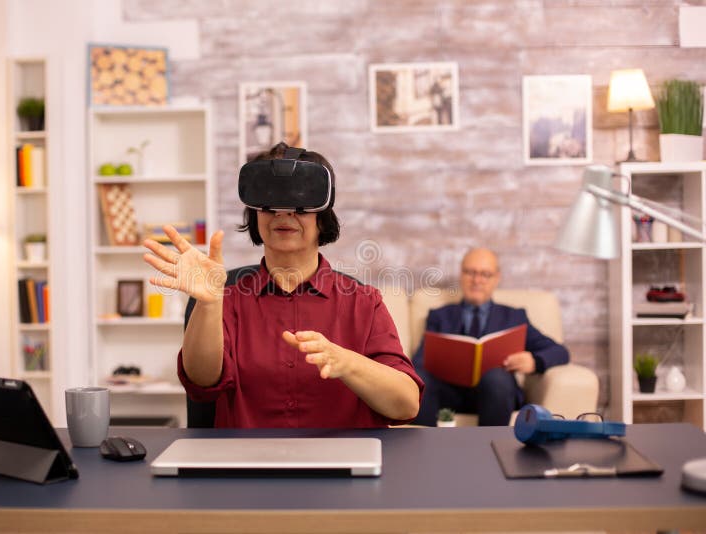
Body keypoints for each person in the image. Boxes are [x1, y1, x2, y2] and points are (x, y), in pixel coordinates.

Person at [143, 142, 423, 428]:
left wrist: (347, 363)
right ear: (256, 214)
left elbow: (406, 405)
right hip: (246, 465)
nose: (283, 213)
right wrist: (209, 303)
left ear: (322, 218)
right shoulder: (228, 299)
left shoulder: (363, 302)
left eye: (299, 202)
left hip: (340, 467)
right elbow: (202, 383)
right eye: (270, 202)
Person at [412, 248, 569, 426]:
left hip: (496, 393)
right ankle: (425, 448)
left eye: (485, 274)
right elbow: (418, 363)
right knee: (419, 378)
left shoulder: (514, 317)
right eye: (470, 272)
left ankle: (491, 449)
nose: (477, 280)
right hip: (449, 396)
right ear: (461, 275)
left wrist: (534, 361)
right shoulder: (440, 316)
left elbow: (560, 351)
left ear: (497, 278)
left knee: (496, 378)